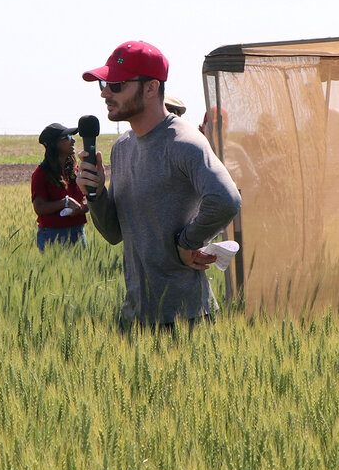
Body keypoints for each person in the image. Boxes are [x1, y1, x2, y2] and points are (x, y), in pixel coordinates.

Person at [77, 40, 241, 328]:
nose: (104, 93)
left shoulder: (184, 142)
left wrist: (187, 242)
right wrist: (97, 194)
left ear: (151, 88)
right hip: (135, 314)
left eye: (116, 85)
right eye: (103, 84)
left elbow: (226, 199)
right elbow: (115, 233)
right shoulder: (122, 147)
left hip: (186, 317)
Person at [31, 123, 88, 250]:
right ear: (54, 144)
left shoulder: (74, 169)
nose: (73, 140)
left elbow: (85, 196)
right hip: (52, 235)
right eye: (66, 137)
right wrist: (66, 202)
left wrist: (83, 207)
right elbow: (39, 207)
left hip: (78, 231)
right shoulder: (41, 174)